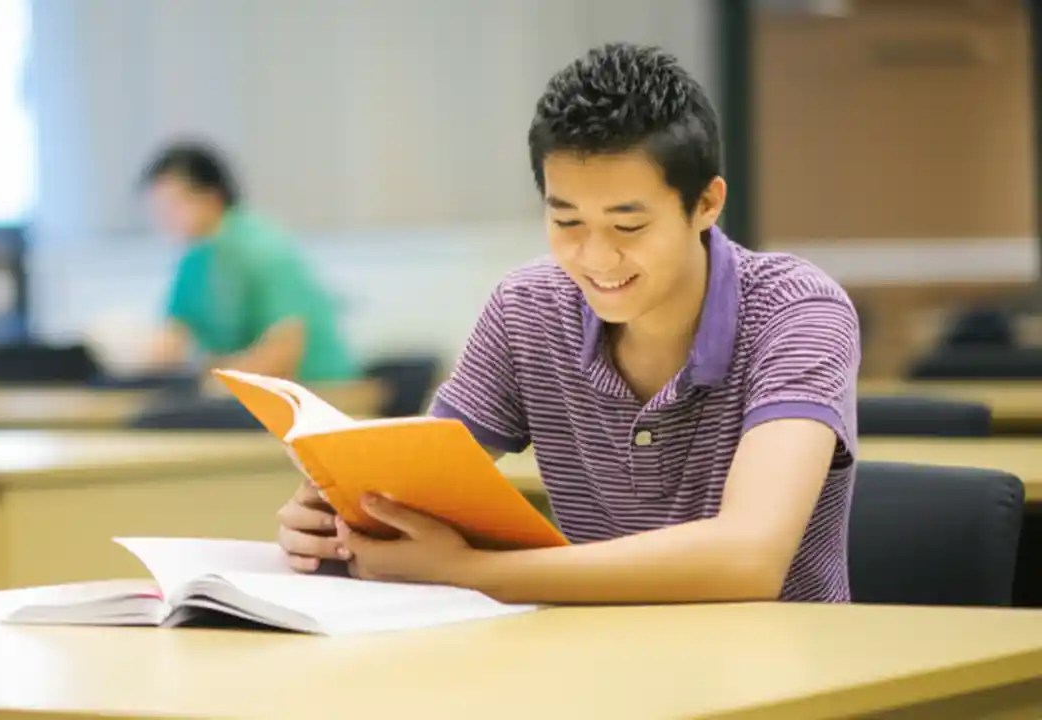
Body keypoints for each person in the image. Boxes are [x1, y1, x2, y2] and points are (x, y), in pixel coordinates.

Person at [275, 43, 859, 603]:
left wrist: (470, 573)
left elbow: (749, 558)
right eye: (567, 222)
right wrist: (341, 520)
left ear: (707, 204)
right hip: (588, 655)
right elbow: (412, 497)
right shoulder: (527, 309)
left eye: (628, 227)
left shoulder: (796, 310)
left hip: (775, 659)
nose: (596, 258)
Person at [142, 142, 358, 382]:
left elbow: (284, 350)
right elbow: (171, 339)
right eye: (157, 209)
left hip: (316, 386)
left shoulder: (261, 248)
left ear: (211, 198)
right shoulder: (195, 260)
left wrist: (212, 381)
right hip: (242, 386)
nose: (163, 220)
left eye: (171, 206)